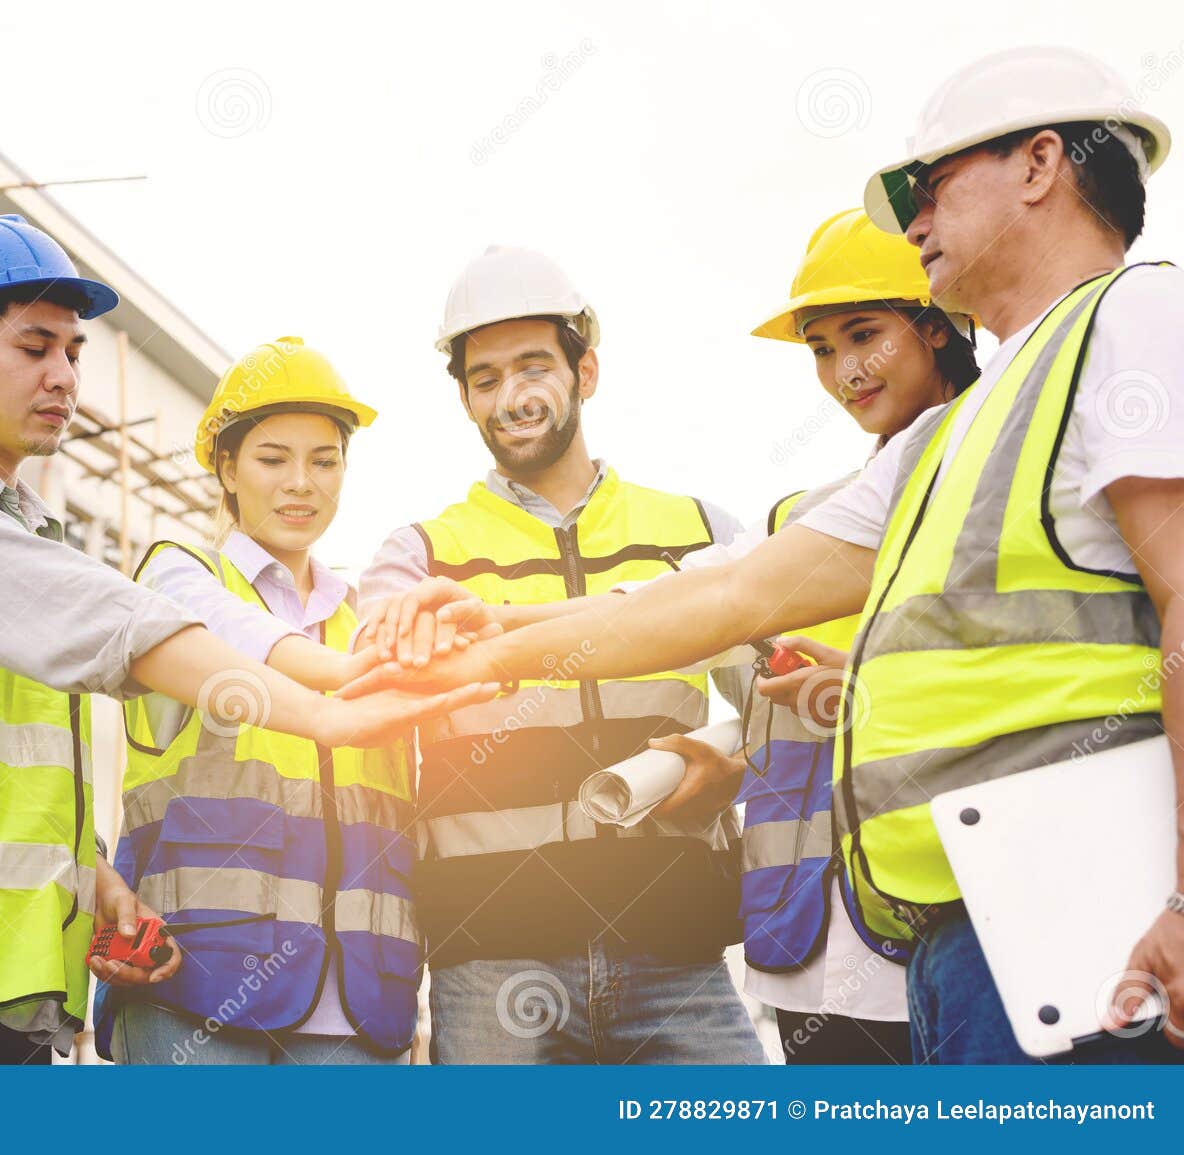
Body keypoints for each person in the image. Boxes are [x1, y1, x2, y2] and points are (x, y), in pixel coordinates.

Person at [353, 48, 1184, 1064]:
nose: (914, 224)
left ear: (1040, 163)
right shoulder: (955, 431)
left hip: (1084, 913)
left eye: (929, 189)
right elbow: (733, 594)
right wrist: (496, 636)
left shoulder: (1134, 320)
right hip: (962, 930)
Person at [0, 215, 495, 1064]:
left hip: (6, 1000)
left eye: (72, 352)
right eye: (35, 348)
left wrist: (98, 883)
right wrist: (328, 711)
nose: (63, 376)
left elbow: (1, 779)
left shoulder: (27, 534)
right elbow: (120, 621)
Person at [358, 245, 764, 1064]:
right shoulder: (419, 557)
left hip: (679, 957)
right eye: (485, 378)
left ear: (587, 372)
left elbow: (785, 709)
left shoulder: (700, 534)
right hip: (494, 968)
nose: (511, 396)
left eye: (534, 366)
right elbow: (375, 700)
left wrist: (738, 769)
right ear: (466, 400)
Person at [658, 208, 977, 1064]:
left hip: (948, 921)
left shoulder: (992, 476)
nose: (844, 371)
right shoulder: (799, 518)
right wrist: (733, 758)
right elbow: (693, 606)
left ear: (937, 326)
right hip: (806, 939)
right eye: (822, 349)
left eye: (864, 334)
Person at [96, 337, 424, 1064]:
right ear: (227, 468)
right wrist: (355, 669)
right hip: (194, 985)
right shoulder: (179, 577)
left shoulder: (367, 619)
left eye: (325, 461)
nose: (301, 483)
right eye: (273, 459)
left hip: (364, 1006)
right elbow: (233, 636)